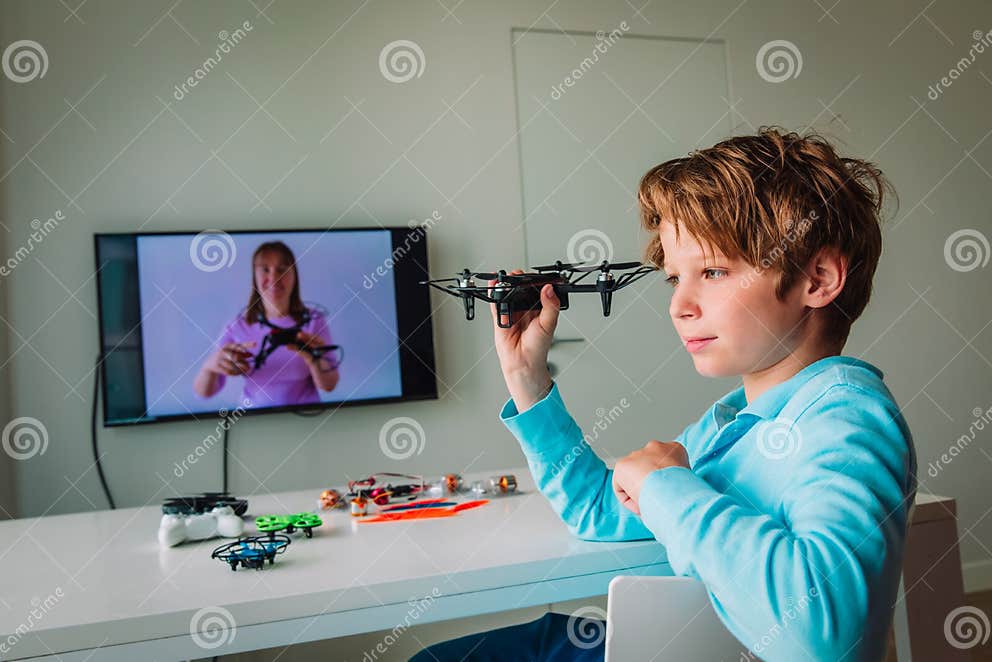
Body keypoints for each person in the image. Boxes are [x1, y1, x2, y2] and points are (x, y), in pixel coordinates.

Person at [410, 128, 917, 661]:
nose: (679, 306)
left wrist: (667, 487)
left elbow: (827, 637)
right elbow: (597, 510)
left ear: (818, 279)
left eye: (714, 271)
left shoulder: (846, 417)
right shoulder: (735, 424)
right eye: (675, 278)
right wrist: (526, 377)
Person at [193, 241, 340, 407]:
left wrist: (314, 360)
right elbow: (203, 393)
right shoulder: (237, 326)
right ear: (254, 277)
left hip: (306, 418)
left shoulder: (314, 321)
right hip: (254, 418)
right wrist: (210, 366)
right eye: (265, 269)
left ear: (294, 276)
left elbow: (329, 385)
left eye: (282, 269)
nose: (274, 278)